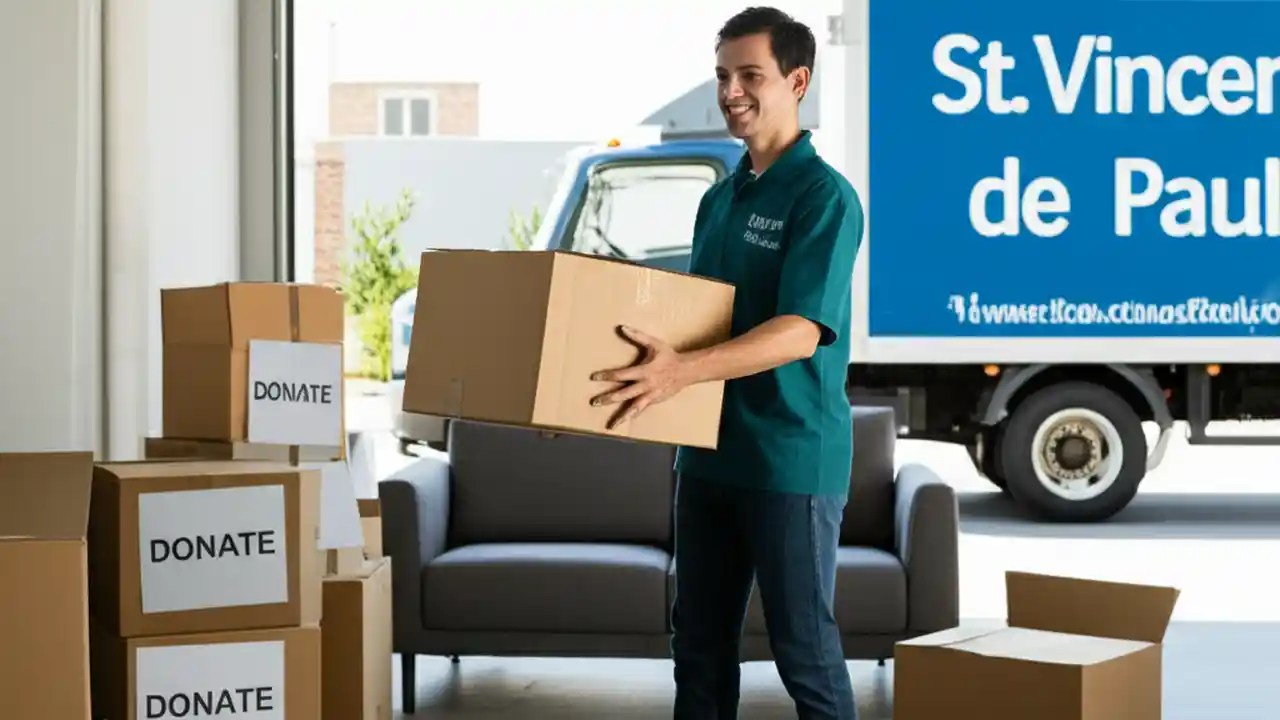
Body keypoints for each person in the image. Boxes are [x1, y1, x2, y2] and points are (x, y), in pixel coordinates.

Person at [589, 7, 864, 719]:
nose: (731, 90)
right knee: (699, 650)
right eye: (722, 76)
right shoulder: (718, 196)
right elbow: (688, 324)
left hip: (788, 460)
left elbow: (801, 331)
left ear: (796, 81)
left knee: (804, 653)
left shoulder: (824, 197)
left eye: (751, 75)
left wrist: (681, 371)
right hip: (708, 458)